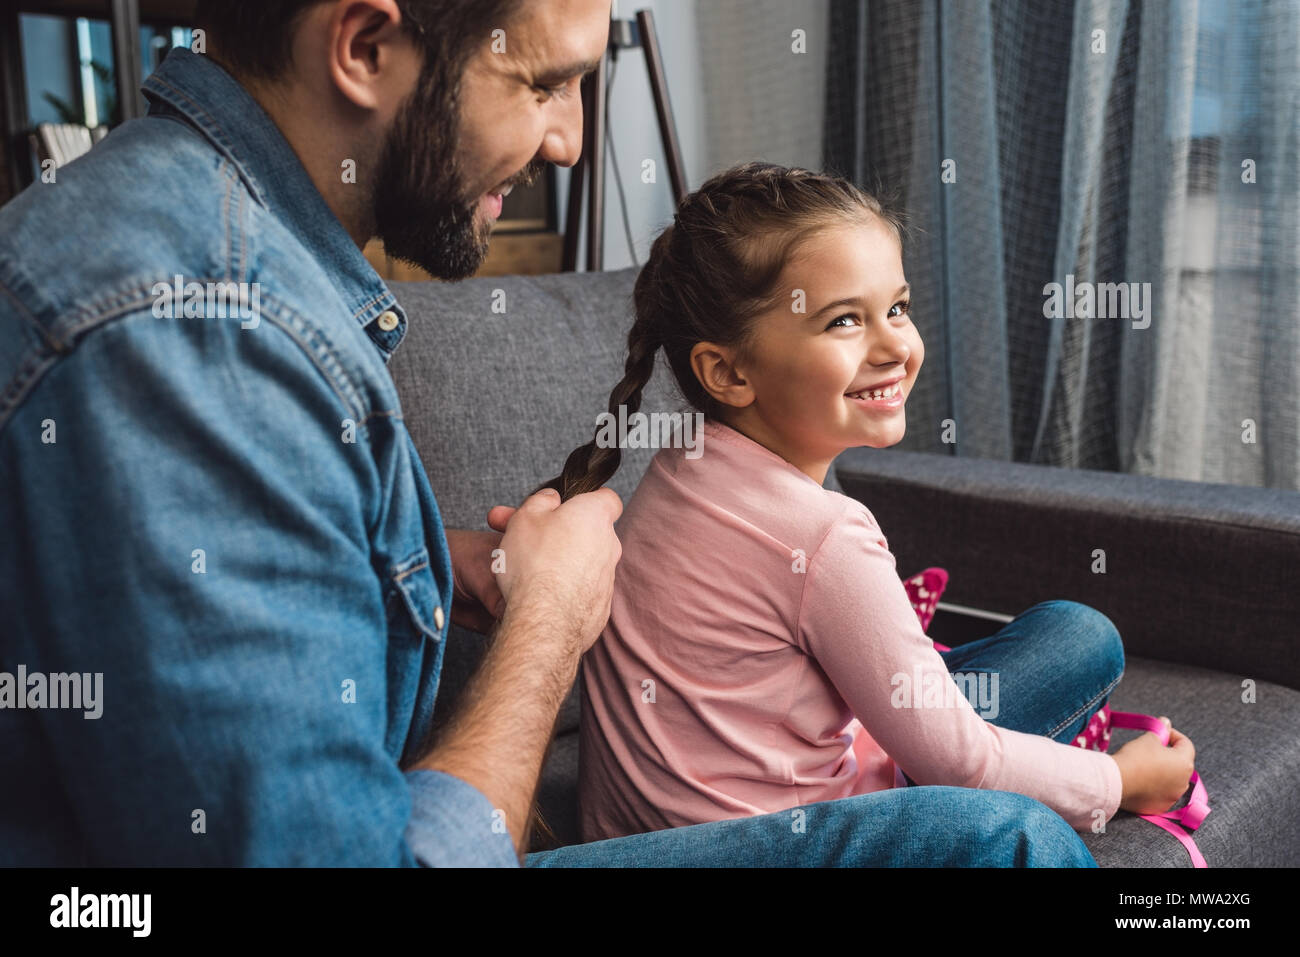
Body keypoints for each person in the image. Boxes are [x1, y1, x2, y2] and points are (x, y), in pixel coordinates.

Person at [0, 0, 1096, 867]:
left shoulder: (216, 254)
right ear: (366, 46)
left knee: (1058, 646)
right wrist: (550, 623)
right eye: (544, 82)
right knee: (1008, 839)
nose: (570, 144)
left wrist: (425, 572)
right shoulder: (196, 327)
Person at [542, 163, 1196, 848]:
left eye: (898, 308)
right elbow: (957, 761)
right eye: (844, 320)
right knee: (1072, 648)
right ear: (730, 372)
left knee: (1077, 633)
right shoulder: (826, 534)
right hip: (799, 838)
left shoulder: (676, 467)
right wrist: (1119, 780)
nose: (894, 347)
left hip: (652, 839)